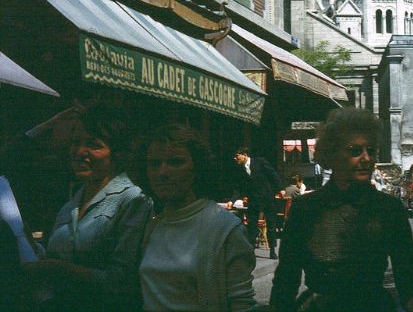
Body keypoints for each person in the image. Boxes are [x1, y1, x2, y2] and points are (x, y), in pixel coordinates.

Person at [270, 107, 413, 312]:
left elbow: (408, 274)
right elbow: (286, 278)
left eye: (371, 150)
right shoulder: (306, 209)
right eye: (355, 150)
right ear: (332, 154)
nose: (366, 158)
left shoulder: (389, 209)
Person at [27, 107, 153, 310]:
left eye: (93, 145)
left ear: (116, 153)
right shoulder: (71, 202)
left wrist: (55, 268)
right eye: (76, 143)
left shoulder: (133, 200)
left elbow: (120, 283)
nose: (79, 152)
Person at [130, 124, 256, 311]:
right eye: (154, 164)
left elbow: (242, 305)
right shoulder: (153, 226)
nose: (162, 172)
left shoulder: (226, 229)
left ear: (197, 167)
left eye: (175, 162)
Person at [232, 146, 282, 258]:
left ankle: (272, 249)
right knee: (252, 224)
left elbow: (272, 173)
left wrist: (280, 188)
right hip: (253, 199)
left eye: (237, 156)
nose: (235, 159)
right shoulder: (240, 170)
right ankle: (251, 249)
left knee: (271, 223)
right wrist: (232, 200)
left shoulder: (260, 162)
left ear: (244, 154)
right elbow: (238, 187)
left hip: (267, 197)